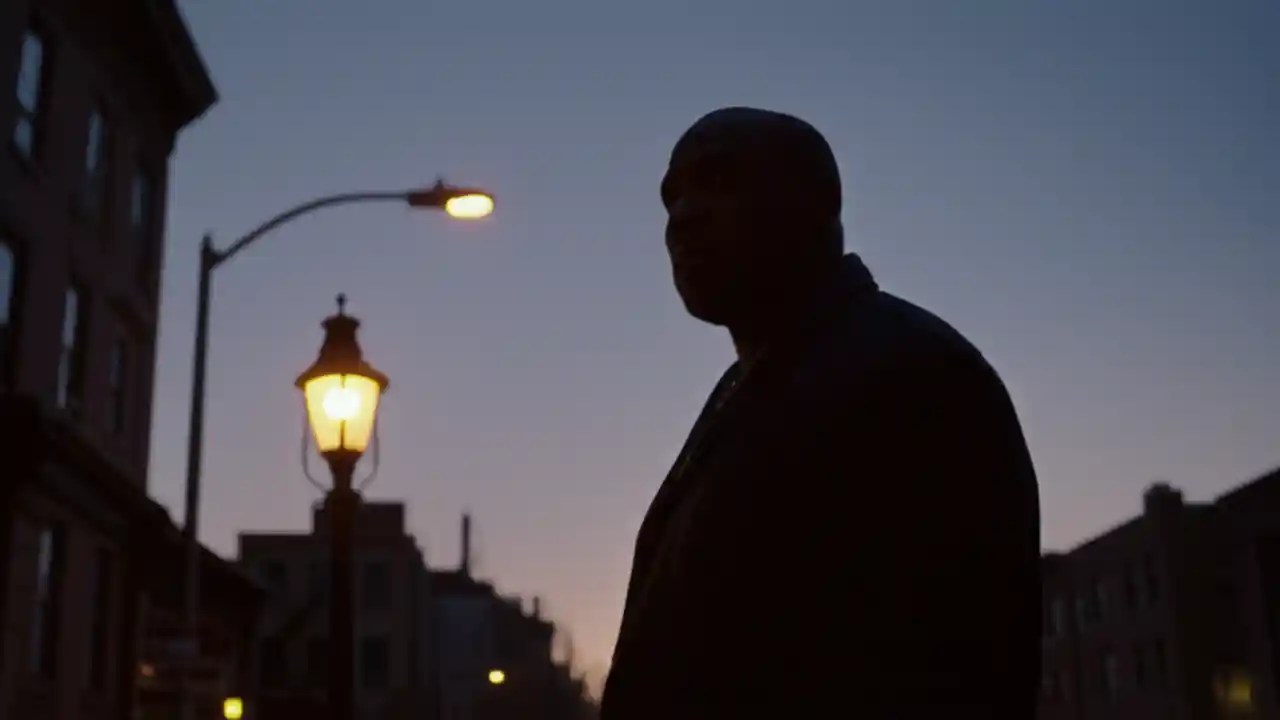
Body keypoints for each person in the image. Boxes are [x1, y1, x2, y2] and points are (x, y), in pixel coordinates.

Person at [599, 107, 1041, 718]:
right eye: (672, 199)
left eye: (720, 182)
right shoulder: (759, 388)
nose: (682, 219)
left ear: (818, 200)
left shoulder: (913, 376)